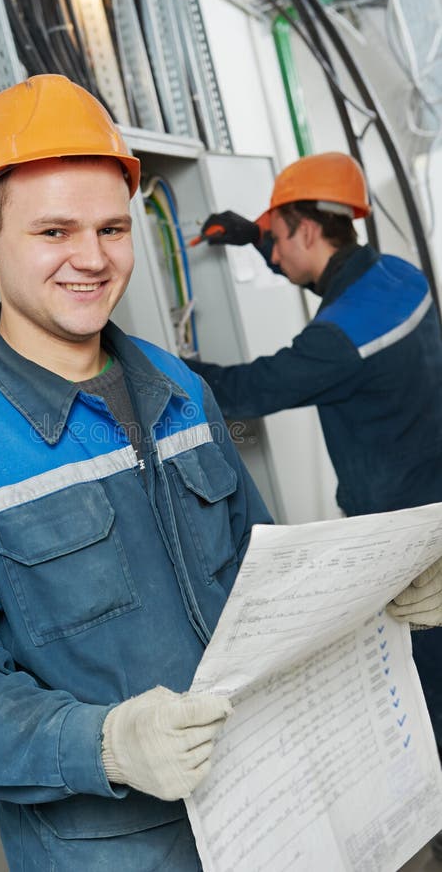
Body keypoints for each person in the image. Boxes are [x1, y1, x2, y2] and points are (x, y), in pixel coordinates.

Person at [0, 84, 442, 871]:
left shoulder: (178, 391)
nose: (93, 258)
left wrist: (378, 599)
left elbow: (261, 584)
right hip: (125, 853)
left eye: (110, 227)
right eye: (53, 230)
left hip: (274, 818)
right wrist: (102, 745)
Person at [188, 150, 442, 857]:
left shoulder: (335, 340)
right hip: (434, 509)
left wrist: (153, 366)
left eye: (276, 232)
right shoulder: (398, 277)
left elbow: (242, 391)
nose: (272, 246)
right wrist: (248, 234)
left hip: (409, 551)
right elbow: (304, 263)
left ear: (304, 227)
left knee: (430, 707)